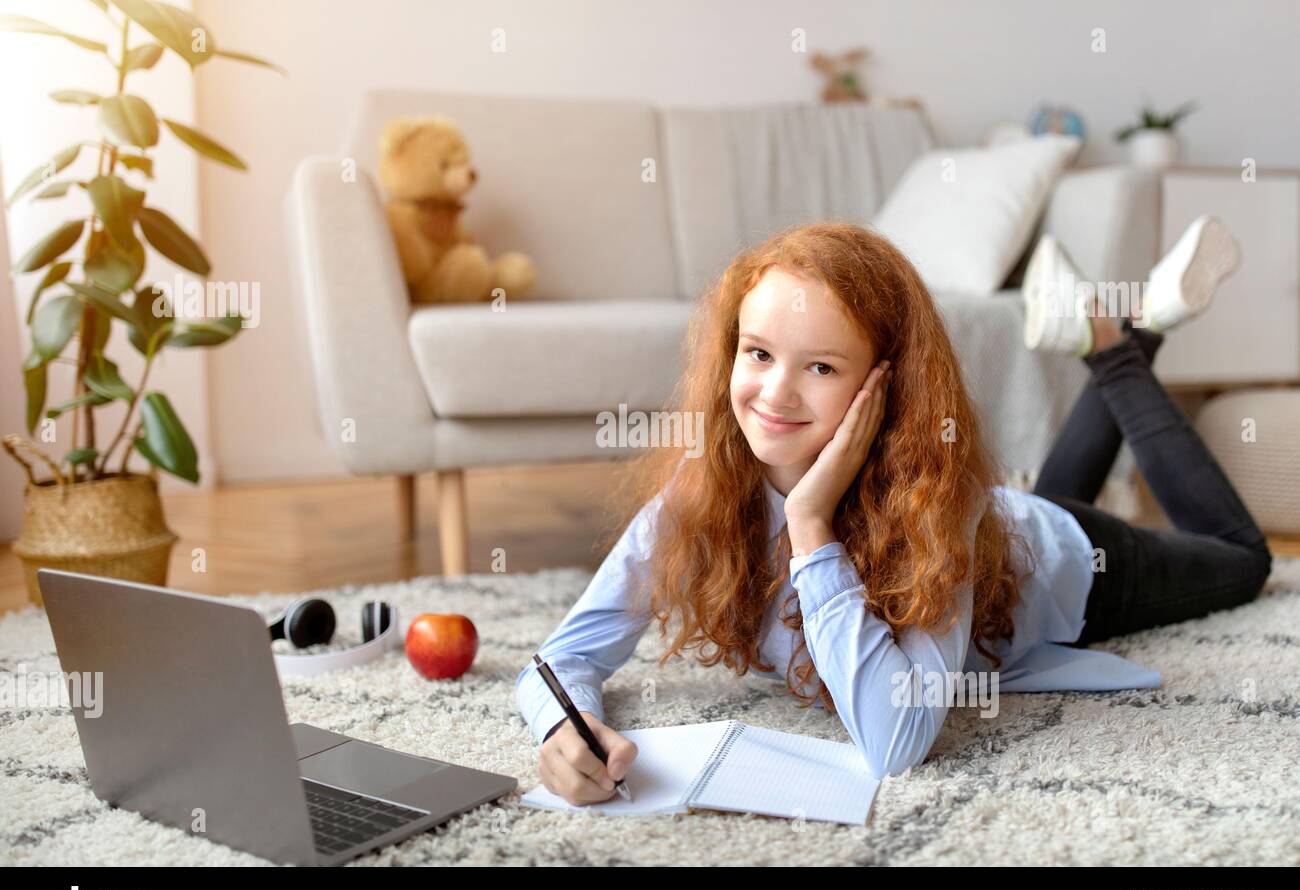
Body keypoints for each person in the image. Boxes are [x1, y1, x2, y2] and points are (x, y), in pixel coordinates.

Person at [517, 216, 1272, 806]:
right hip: (1004, 531)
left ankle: (1114, 344)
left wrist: (811, 527)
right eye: (757, 354)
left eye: (819, 366)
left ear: (886, 390)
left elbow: (895, 742)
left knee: (1242, 559)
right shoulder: (697, 496)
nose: (775, 393)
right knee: (1026, 509)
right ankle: (1121, 328)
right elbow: (562, 658)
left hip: (1073, 561)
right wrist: (564, 723)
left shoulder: (939, 503)